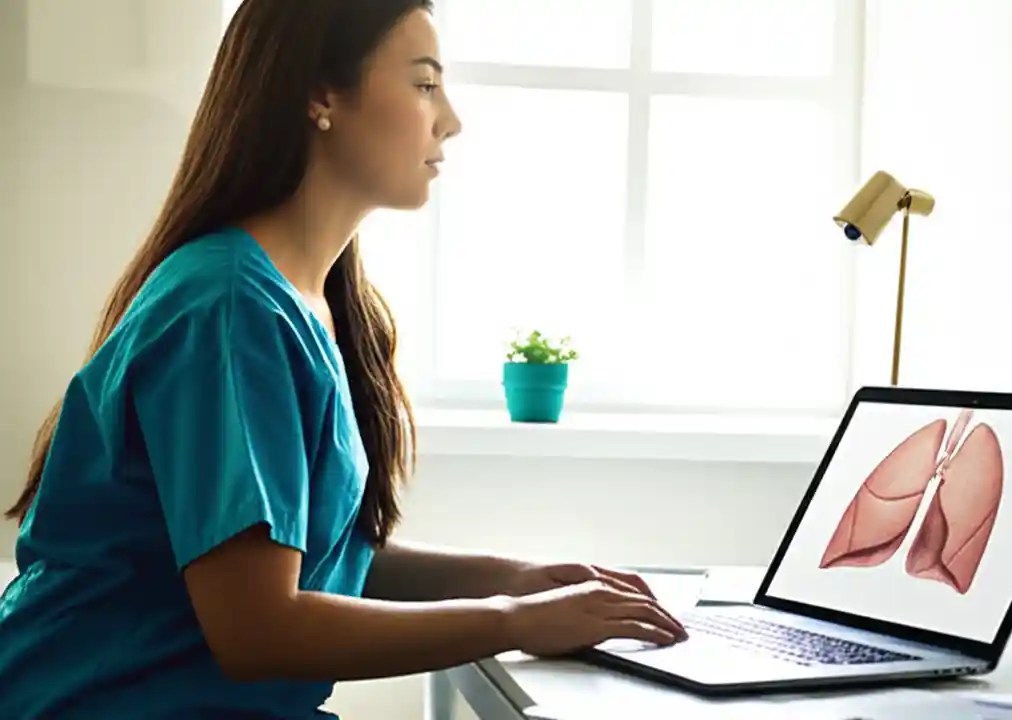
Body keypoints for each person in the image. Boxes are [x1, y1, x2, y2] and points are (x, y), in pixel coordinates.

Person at [0, 1, 686, 717]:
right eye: (425, 85)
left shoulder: (305, 300)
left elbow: (324, 566)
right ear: (320, 95)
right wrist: (512, 623)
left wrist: (519, 579)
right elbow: (259, 629)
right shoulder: (230, 308)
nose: (450, 118)